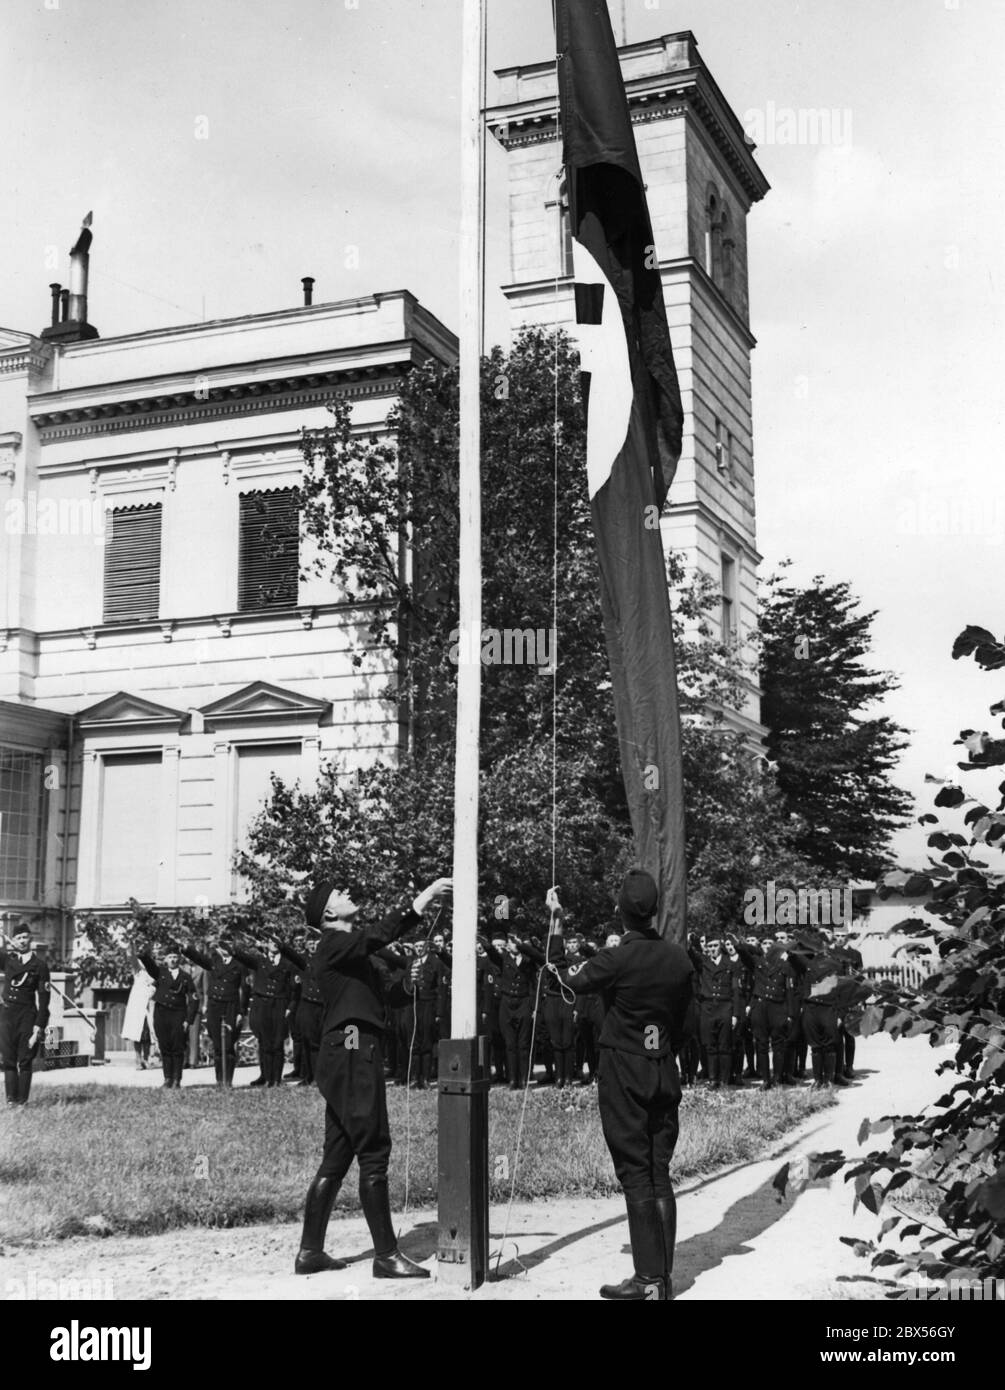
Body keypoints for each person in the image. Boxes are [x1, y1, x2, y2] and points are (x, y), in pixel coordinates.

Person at [294, 874, 452, 1279]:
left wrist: (407, 985)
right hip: (350, 1051)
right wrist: (422, 899)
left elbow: (380, 999)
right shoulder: (334, 943)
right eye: (341, 894)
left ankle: (310, 1253)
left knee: (338, 1155)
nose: (350, 893)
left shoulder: (349, 954)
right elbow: (379, 934)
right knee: (374, 1150)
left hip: (348, 1051)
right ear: (329, 914)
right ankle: (386, 1257)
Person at [547, 872, 693, 1301]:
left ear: (620, 912)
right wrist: (661, 1049)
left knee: (635, 1175)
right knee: (658, 1173)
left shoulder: (617, 959)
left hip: (623, 1073)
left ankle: (648, 1281)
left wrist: (556, 924)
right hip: (664, 1069)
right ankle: (660, 1278)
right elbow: (685, 1026)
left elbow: (563, 977)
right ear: (655, 911)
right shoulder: (679, 960)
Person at [181, 939, 247, 1087]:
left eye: (224, 946)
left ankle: (228, 1081)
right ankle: (219, 1080)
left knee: (229, 1045)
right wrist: (187, 949)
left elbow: (244, 990)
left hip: (231, 1006)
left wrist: (241, 1012)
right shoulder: (214, 961)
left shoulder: (239, 965)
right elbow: (200, 959)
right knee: (217, 1045)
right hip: (215, 1005)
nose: (220, 948)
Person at [231, 939, 294, 1087]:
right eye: (271, 941)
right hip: (262, 1005)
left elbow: (293, 989)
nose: (274, 944)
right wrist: (234, 944)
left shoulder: (288, 963)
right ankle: (266, 1077)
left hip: (279, 1004)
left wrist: (290, 1007)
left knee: (277, 1044)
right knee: (265, 1043)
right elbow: (240, 956)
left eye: (277, 941)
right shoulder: (259, 961)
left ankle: (276, 1079)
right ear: (266, 945)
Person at [0, 922, 51, 1105]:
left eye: (24, 937)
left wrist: (39, 1025)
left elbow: (44, 999)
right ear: (13, 940)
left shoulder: (39, 965)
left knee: (25, 1060)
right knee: (8, 1059)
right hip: (6, 1016)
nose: (22, 941)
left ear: (30, 938)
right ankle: (11, 1100)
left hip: (27, 1015)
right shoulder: (8, 961)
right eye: (18, 938)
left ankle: (22, 1101)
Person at [480, 930, 538, 1090]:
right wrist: (485, 943)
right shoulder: (503, 959)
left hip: (524, 1002)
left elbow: (534, 985)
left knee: (523, 1044)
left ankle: (524, 1080)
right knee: (510, 1044)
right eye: (511, 942)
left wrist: (534, 1007)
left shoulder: (528, 961)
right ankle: (513, 1079)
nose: (513, 945)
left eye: (515, 942)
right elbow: (492, 954)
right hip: (507, 1004)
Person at [136, 943, 199, 1089]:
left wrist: (188, 1020)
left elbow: (194, 999)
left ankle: (177, 1079)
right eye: (170, 957)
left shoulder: (186, 977)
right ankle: (167, 1079)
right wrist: (143, 955)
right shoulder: (160, 973)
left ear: (179, 959)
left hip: (178, 1015)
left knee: (177, 1048)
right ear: (165, 959)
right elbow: (150, 966)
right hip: (161, 1014)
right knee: (165, 1047)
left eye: (175, 957)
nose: (173, 960)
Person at [736, 932, 792, 1089]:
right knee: (761, 1044)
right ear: (760, 947)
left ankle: (777, 1078)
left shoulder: (784, 964)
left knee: (778, 1045)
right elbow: (744, 955)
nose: (768, 946)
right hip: (760, 1006)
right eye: (765, 944)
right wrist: (739, 945)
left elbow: (789, 990)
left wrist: (789, 1013)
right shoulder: (756, 962)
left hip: (777, 1007)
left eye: (770, 944)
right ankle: (766, 1080)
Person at [687, 934, 740, 1090]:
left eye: (715, 946)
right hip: (708, 1007)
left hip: (725, 1006)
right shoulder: (703, 963)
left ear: (721, 946)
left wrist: (736, 1014)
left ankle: (724, 1080)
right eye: (709, 947)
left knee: (724, 1045)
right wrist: (689, 941)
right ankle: (712, 1079)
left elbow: (736, 990)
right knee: (709, 1045)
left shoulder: (731, 964)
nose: (712, 949)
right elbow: (692, 953)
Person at [122, 960, 155, 1070]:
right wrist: (132, 944)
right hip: (137, 1010)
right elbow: (134, 959)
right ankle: (138, 1060)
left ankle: (146, 1059)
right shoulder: (138, 974)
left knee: (148, 1037)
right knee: (137, 1036)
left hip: (148, 1011)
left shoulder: (153, 974)